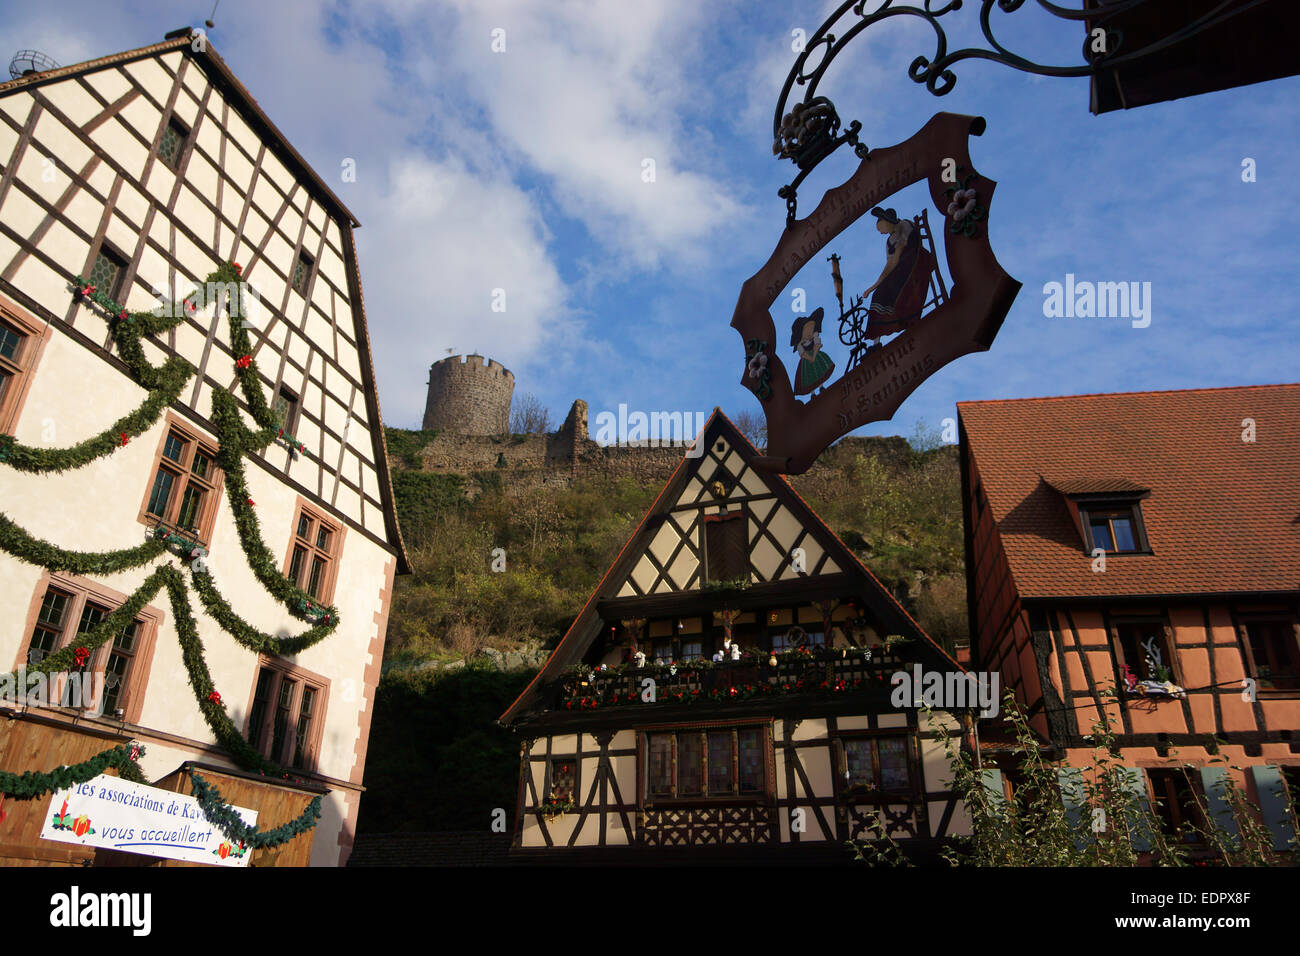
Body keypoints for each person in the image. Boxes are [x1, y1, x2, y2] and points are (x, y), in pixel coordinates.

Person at [861, 207, 932, 345]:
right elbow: (889, 264)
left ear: (886, 222)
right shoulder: (889, 242)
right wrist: (874, 287)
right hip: (899, 268)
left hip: (915, 261)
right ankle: (876, 340)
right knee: (879, 294)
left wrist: (876, 284)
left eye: (880, 228)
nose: (881, 232)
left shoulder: (904, 225)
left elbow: (896, 259)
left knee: (893, 287)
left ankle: (906, 320)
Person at [789, 307, 835, 395]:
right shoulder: (800, 345)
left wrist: (814, 355)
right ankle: (812, 393)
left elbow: (817, 345)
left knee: (819, 372)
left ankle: (821, 387)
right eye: (807, 330)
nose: (810, 332)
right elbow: (803, 354)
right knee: (809, 376)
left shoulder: (815, 336)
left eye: (811, 329)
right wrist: (810, 358)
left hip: (816, 355)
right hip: (806, 361)